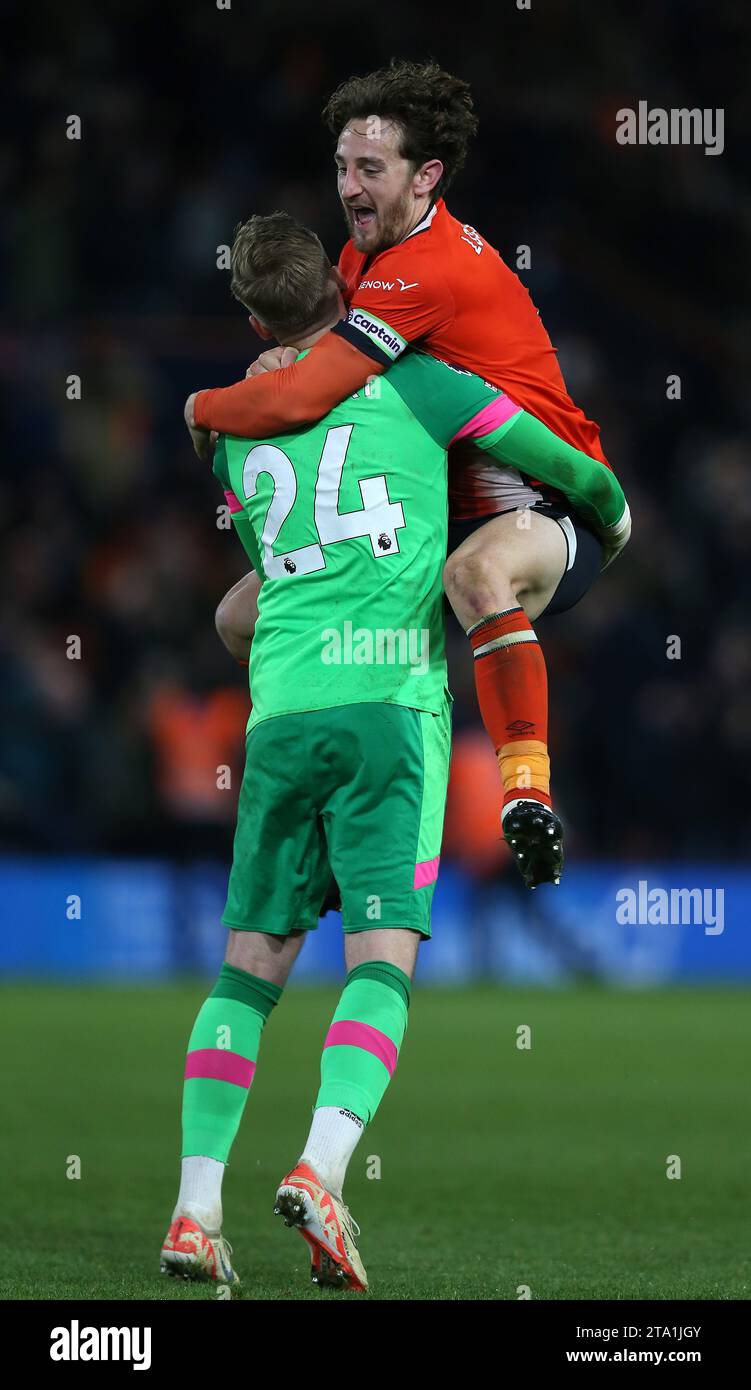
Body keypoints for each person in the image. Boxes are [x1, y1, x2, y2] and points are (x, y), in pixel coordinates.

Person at [161, 212, 629, 1294]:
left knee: (247, 970)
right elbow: (556, 461)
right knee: (380, 965)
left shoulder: (236, 427)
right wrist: (606, 515)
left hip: (280, 716)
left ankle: (193, 1211)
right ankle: (321, 1170)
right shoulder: (423, 385)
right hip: (388, 711)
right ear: (343, 283)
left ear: (248, 314)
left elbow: (263, 585)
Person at [185, 60, 630, 889]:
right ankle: (348, 783)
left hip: (543, 503)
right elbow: (322, 380)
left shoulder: (419, 272)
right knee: (242, 616)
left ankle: (526, 796)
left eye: (371, 169)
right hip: (426, 518)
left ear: (425, 177)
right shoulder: (362, 264)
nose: (349, 187)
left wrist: (206, 406)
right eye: (342, 167)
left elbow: (306, 401)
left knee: (476, 574)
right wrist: (283, 358)